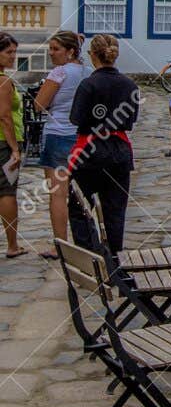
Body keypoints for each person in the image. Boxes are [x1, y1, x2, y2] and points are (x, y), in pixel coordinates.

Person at [68, 33, 140, 255]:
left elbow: (76, 118)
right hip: (118, 151)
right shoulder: (130, 85)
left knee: (80, 208)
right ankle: (114, 258)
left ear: (93, 55)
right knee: (115, 211)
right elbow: (130, 120)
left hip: (89, 152)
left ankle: (89, 252)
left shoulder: (88, 84)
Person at [34, 31, 85, 256]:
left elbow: (39, 104)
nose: (51, 53)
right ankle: (85, 241)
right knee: (81, 192)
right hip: (80, 135)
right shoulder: (87, 72)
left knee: (58, 194)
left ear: (70, 51)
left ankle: (61, 245)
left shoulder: (59, 72)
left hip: (58, 133)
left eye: (56, 49)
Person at [0, 34, 25, 258]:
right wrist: (14, 148)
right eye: (9, 52)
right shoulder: (3, 81)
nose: (13, 56)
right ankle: (12, 244)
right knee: (7, 191)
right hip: (3, 143)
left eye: (15, 52)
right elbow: (5, 116)